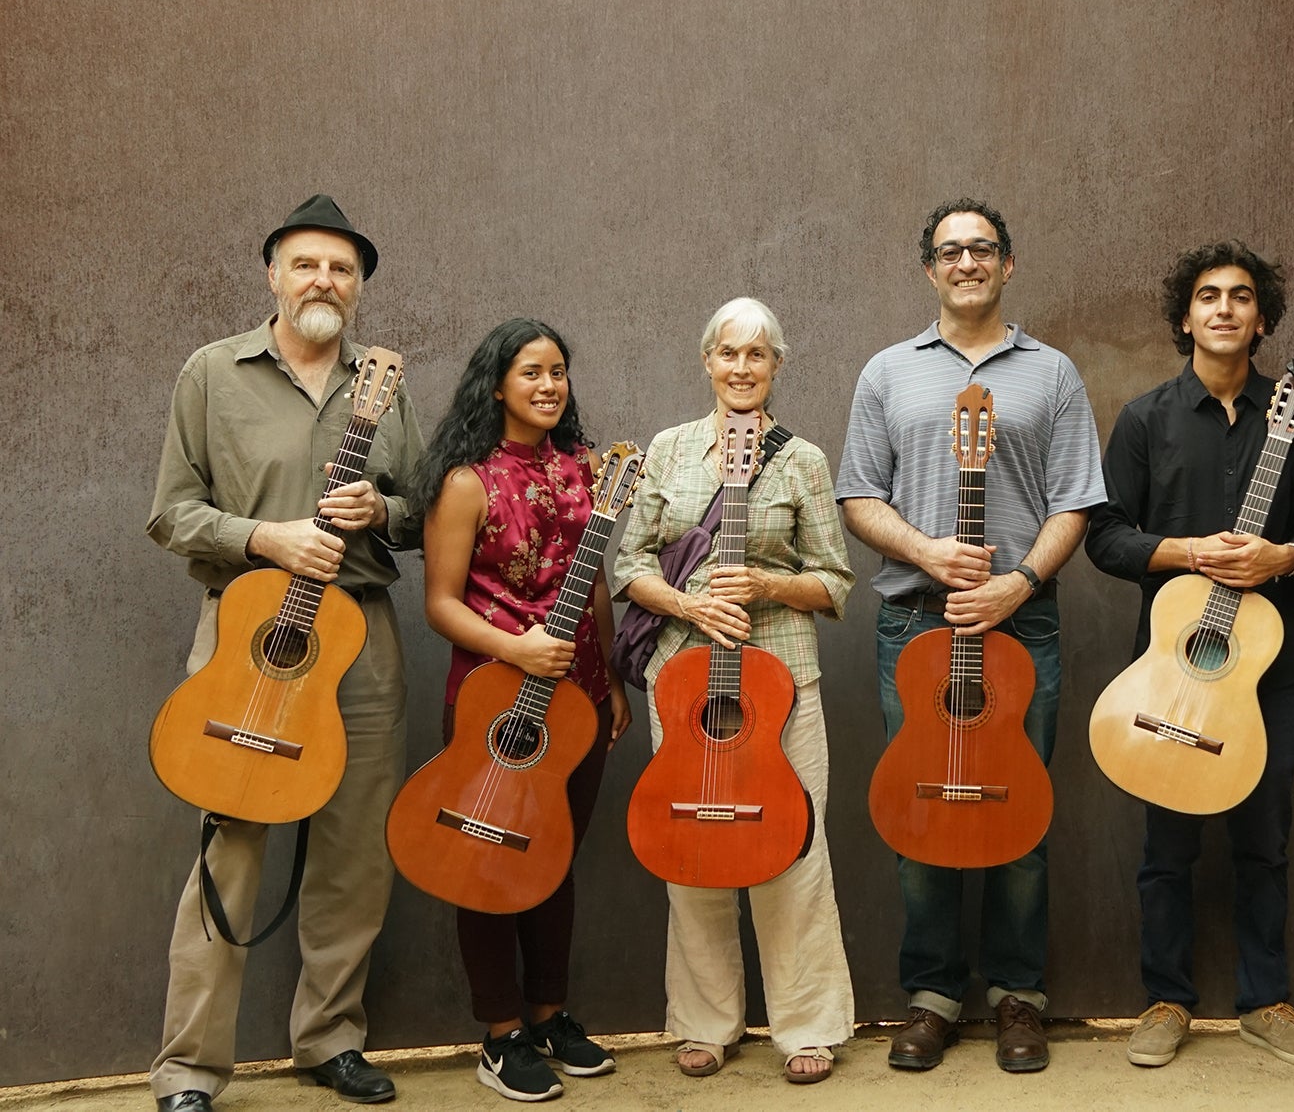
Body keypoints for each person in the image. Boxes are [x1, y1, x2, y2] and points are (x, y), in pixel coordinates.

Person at [147, 195, 424, 1110]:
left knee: (356, 853)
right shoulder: (212, 372)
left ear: (359, 288)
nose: (323, 281)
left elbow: (425, 507)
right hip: (249, 635)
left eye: (342, 269)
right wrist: (265, 537)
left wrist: (382, 509)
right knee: (229, 850)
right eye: (306, 264)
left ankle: (330, 1040)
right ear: (273, 274)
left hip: (361, 639)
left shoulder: (383, 385)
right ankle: (190, 1067)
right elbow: (171, 512)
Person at [837, 198, 1105, 1074]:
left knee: (1020, 815)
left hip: (1022, 622)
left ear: (1007, 263)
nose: (967, 262)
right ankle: (933, 996)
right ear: (930, 268)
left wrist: (1016, 582)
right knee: (920, 810)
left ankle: (1019, 995)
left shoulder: (1053, 374)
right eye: (950, 251)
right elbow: (858, 494)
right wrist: (927, 551)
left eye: (982, 248)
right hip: (916, 622)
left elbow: (1075, 502)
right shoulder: (888, 371)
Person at [1086, 242, 1294, 1069]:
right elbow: (1106, 537)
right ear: (1185, 316)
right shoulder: (1145, 419)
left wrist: (1280, 558)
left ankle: (1266, 1001)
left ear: (1262, 319)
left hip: (1268, 671)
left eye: (1240, 296)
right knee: (1169, 848)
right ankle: (1166, 1001)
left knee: (1265, 840)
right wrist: (1188, 552)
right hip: (1169, 669)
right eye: (1207, 296)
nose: (1223, 308)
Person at [613, 296, 856, 1085]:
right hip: (682, 683)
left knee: (794, 848)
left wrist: (768, 585)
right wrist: (689, 606)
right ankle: (705, 1020)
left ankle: (808, 1024)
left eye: (757, 355)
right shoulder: (670, 449)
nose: (742, 368)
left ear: (777, 366)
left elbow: (835, 580)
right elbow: (630, 563)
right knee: (690, 843)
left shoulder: (803, 460)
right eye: (729, 353)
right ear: (707, 361)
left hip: (781, 682)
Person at [416, 318, 630, 1102]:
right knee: (487, 863)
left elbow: (593, 582)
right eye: (531, 372)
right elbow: (441, 604)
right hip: (493, 703)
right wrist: (517, 649)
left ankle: (548, 1015)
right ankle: (501, 1033)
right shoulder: (465, 480)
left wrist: (613, 681)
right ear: (497, 384)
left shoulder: (585, 470)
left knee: (554, 858)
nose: (548, 385)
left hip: (580, 699)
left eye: (558, 372)